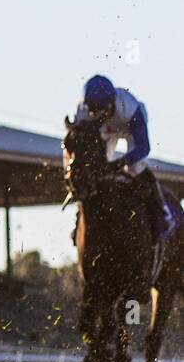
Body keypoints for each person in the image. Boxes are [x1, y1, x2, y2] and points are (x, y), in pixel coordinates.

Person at [74, 75, 174, 241]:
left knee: (136, 168)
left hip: (129, 128)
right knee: (92, 170)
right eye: (93, 111)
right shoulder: (82, 111)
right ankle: (79, 216)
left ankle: (162, 213)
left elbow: (143, 147)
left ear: (112, 103)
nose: (97, 115)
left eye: (100, 110)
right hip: (106, 131)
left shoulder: (130, 108)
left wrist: (122, 162)